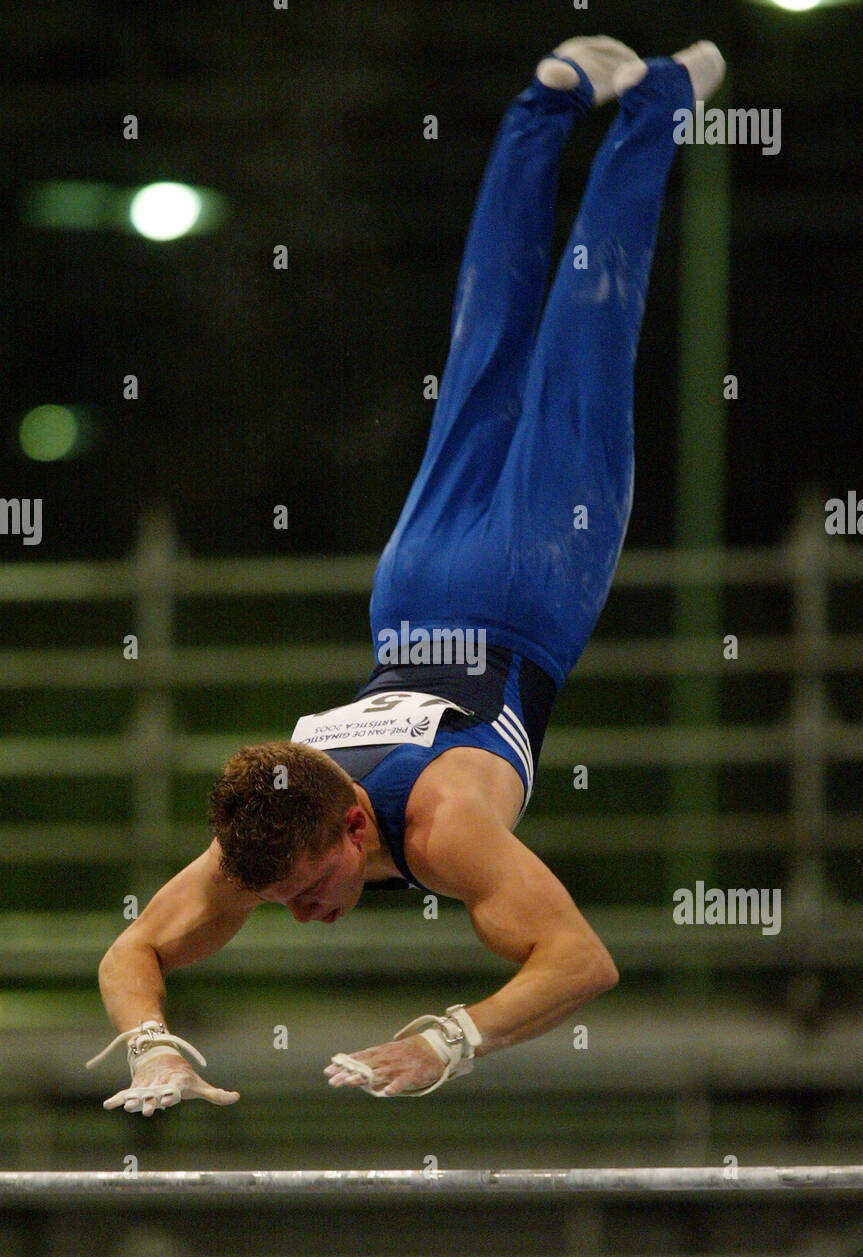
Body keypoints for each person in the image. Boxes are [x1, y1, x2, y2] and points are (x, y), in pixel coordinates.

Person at [88, 36, 726, 1113]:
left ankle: (655, 98)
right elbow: (132, 953)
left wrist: (448, 1037)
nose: (301, 912)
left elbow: (580, 960)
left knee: (583, 333)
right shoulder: (273, 830)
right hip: (412, 584)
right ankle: (546, 98)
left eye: (307, 889)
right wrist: (153, 1046)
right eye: (285, 899)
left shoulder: (441, 825)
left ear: (351, 828)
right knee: (479, 346)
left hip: (526, 590)